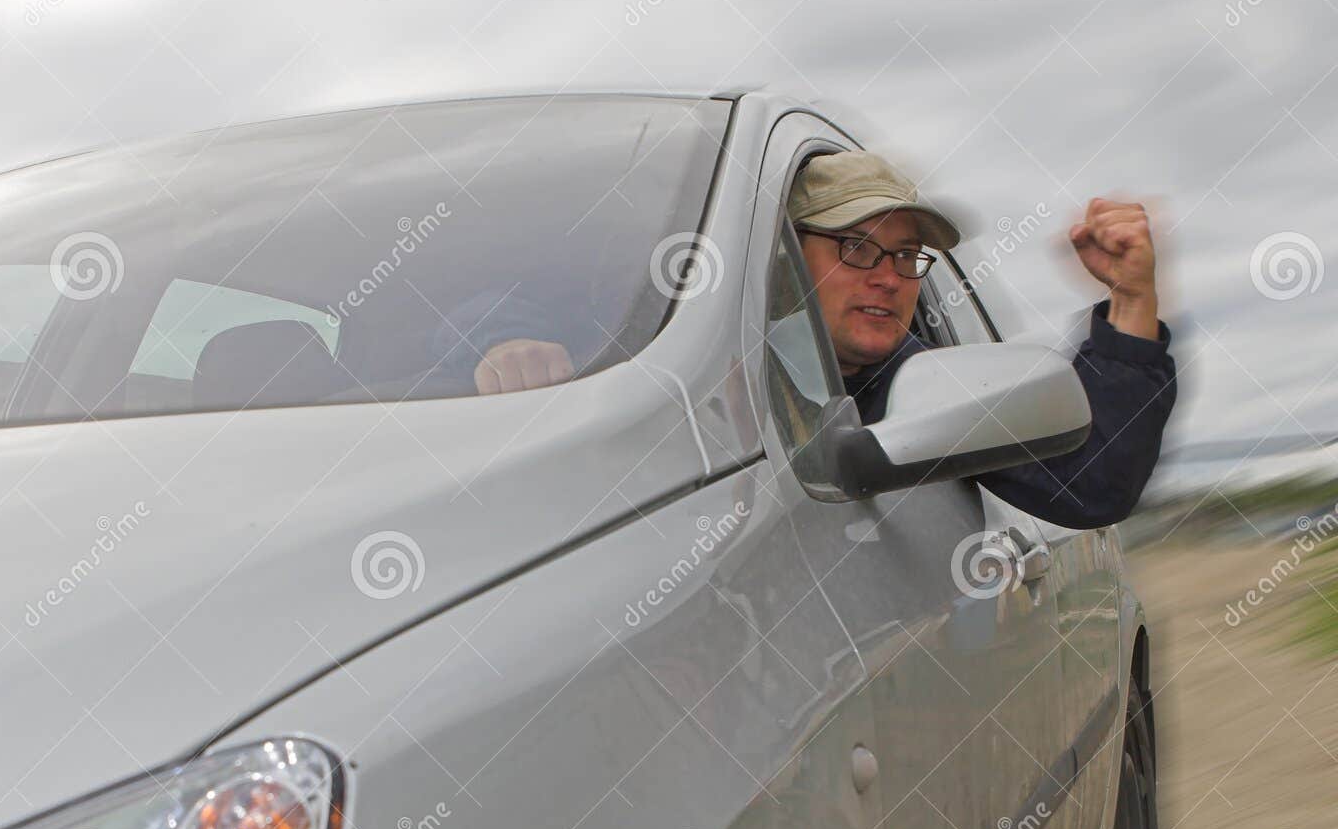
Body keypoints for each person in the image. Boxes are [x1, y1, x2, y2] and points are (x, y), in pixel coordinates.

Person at [461, 150, 1178, 530]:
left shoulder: (911, 382)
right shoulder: (681, 364)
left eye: (905, 257)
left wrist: (1133, 297)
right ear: (779, 259)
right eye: (856, 247)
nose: (891, 277)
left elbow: (1092, 485)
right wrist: (498, 348)